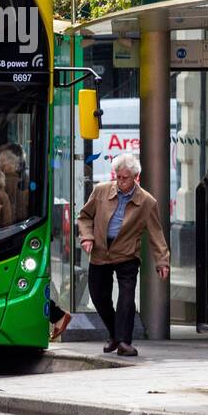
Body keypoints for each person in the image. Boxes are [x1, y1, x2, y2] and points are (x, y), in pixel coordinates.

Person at [76, 152, 170, 356]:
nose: (119, 181)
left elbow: (156, 233)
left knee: (126, 298)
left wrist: (162, 262)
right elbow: (84, 217)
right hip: (101, 250)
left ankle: (124, 342)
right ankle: (114, 334)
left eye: (124, 178)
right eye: (117, 176)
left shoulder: (147, 201)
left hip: (127, 254)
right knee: (99, 296)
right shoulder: (101, 191)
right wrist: (87, 237)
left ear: (135, 177)